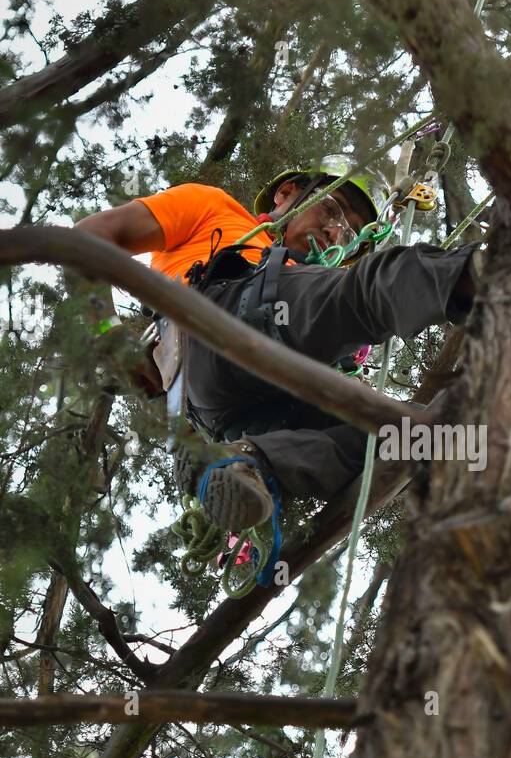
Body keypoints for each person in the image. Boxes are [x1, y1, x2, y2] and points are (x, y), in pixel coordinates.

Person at [75, 156, 483, 531]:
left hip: (229, 410)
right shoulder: (214, 209)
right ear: (287, 192)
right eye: (333, 210)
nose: (336, 232)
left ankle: (251, 464)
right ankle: (483, 277)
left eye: (351, 233)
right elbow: (91, 237)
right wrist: (110, 336)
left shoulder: (306, 280)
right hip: (217, 321)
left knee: (405, 431)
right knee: (362, 292)